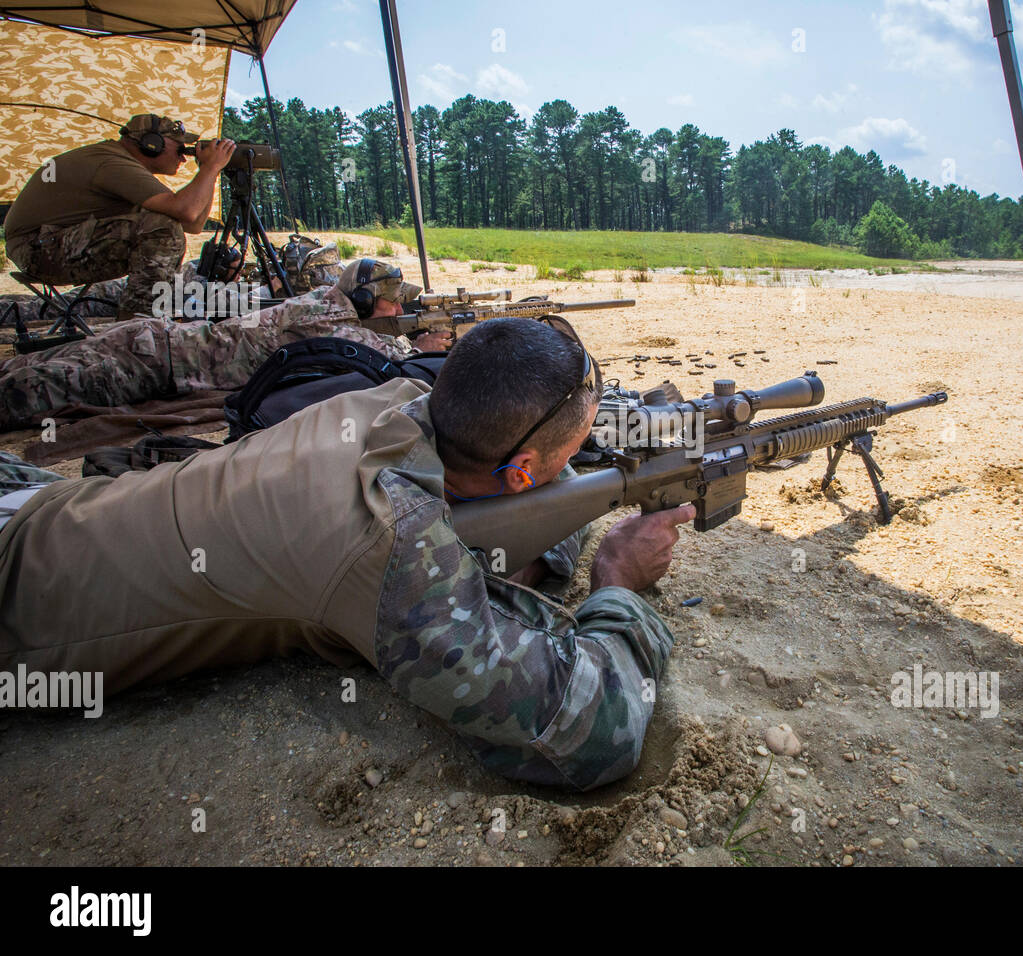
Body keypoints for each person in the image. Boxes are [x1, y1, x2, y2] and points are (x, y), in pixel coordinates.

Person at [0, 318, 694, 791]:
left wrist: (561, 508)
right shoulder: (391, 547)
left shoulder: (393, 403)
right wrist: (620, 582)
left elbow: (492, 501)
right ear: (518, 470)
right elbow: (590, 731)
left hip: (34, 506)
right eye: (570, 457)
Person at [0, 258, 450, 431]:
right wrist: (425, 342)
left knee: (25, 371)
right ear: (367, 299)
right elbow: (390, 362)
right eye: (391, 304)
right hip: (150, 362)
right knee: (19, 396)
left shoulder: (324, 302)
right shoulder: (329, 321)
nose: (395, 312)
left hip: (151, 342)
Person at [2, 113, 237, 321]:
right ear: (151, 144)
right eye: (179, 149)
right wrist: (209, 168)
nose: (183, 157)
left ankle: (142, 321)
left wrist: (210, 171)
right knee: (162, 228)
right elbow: (185, 211)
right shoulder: (111, 162)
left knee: (163, 223)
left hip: (48, 245)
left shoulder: (117, 160)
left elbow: (193, 223)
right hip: (37, 249)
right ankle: (139, 325)